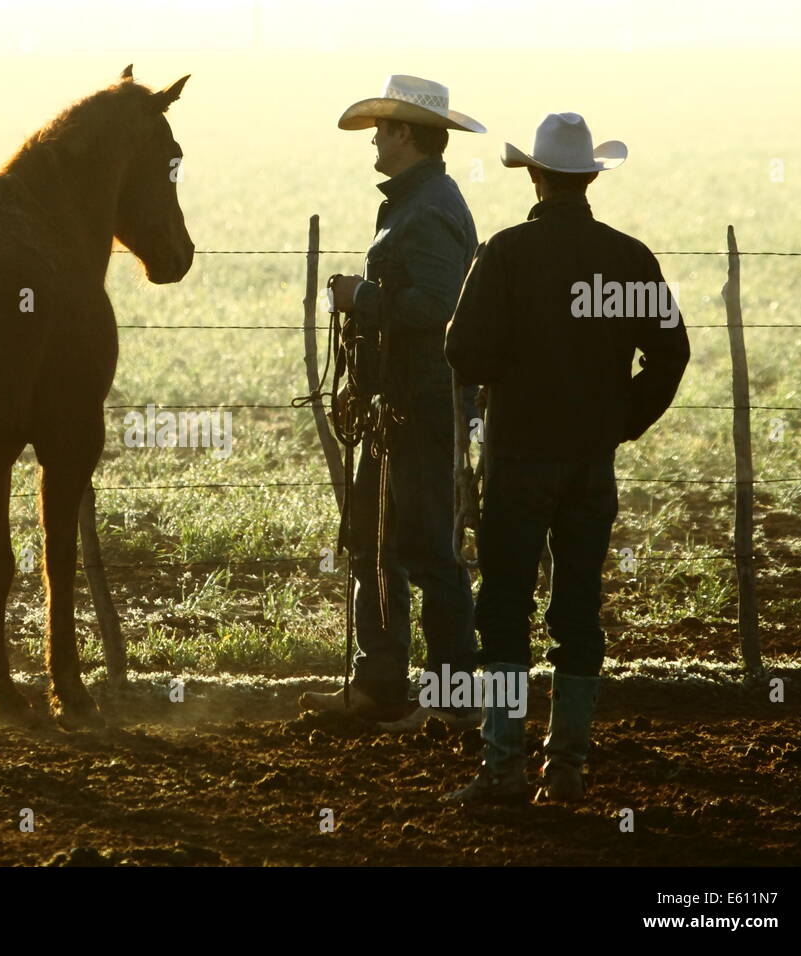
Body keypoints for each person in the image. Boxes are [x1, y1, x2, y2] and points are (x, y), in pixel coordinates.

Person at [443, 113, 691, 803]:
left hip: (518, 457)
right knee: (578, 610)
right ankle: (569, 768)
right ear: (589, 177)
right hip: (590, 461)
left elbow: (463, 352)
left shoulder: (507, 252)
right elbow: (671, 353)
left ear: (535, 174)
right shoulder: (630, 259)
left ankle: (502, 768)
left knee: (503, 609)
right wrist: (620, 419)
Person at [300, 76, 483, 730]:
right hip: (398, 401)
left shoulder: (428, 207)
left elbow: (435, 308)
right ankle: (382, 686)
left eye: (382, 128)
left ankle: (452, 701)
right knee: (375, 543)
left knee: (428, 547)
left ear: (405, 134)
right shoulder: (418, 199)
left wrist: (360, 298)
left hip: (421, 402)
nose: (374, 138)